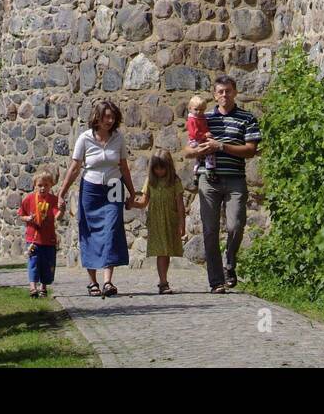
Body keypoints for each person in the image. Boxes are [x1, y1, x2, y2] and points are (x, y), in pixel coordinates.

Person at [182, 75, 261, 293]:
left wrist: (221, 146)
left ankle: (230, 263)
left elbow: (251, 150)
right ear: (214, 95)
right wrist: (197, 151)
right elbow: (187, 149)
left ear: (235, 92)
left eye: (228, 91)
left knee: (235, 225)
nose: (224, 95)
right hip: (209, 179)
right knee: (210, 230)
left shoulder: (247, 118)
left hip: (235, 178)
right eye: (220, 92)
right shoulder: (203, 117)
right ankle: (216, 281)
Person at [57, 100, 136, 297]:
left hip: (114, 187)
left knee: (112, 229)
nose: (110, 120)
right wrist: (62, 193)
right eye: (106, 117)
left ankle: (108, 281)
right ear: (97, 118)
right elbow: (75, 168)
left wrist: (132, 193)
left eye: (113, 117)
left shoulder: (118, 138)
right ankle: (92, 282)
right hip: (91, 188)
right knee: (89, 231)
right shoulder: (85, 138)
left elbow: (124, 167)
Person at [135, 150, 185, 294]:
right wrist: (132, 203)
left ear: (168, 167)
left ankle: (164, 281)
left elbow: (180, 203)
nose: (159, 171)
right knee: (161, 252)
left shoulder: (175, 181)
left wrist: (182, 223)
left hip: (170, 219)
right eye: (156, 168)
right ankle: (163, 282)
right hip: (156, 221)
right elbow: (144, 201)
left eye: (162, 168)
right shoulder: (150, 181)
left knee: (166, 251)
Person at [18, 167, 62, 298]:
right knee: (33, 262)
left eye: (46, 185)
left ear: (51, 186)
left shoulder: (53, 200)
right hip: (33, 238)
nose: (43, 188)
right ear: (35, 185)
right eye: (40, 185)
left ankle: (43, 287)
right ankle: (33, 286)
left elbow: (57, 217)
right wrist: (28, 218)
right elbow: (21, 214)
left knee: (47, 264)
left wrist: (63, 210)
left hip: (49, 239)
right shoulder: (29, 199)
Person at [185, 95, 213, 190]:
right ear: (190, 108)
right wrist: (205, 135)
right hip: (196, 140)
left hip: (201, 138)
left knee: (200, 158)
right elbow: (194, 133)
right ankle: (209, 169)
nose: (198, 112)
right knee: (208, 151)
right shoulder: (192, 119)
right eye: (196, 109)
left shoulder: (202, 117)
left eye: (201, 110)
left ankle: (198, 172)